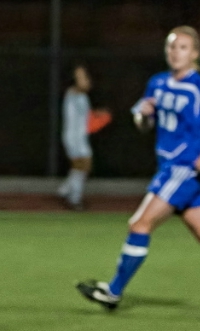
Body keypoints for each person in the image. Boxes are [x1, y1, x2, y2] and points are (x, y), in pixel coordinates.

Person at [77, 26, 200, 309]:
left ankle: (113, 292)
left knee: (140, 223)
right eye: (171, 46)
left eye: (182, 47)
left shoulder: (198, 87)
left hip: (182, 169)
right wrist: (144, 116)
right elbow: (144, 124)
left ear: (194, 53)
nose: (175, 52)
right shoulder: (157, 83)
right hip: (169, 166)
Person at [58, 66, 94, 210]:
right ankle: (74, 198)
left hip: (79, 136)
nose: (85, 81)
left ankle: (66, 190)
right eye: (81, 77)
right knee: (84, 164)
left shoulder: (83, 96)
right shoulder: (73, 93)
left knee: (80, 166)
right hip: (73, 137)